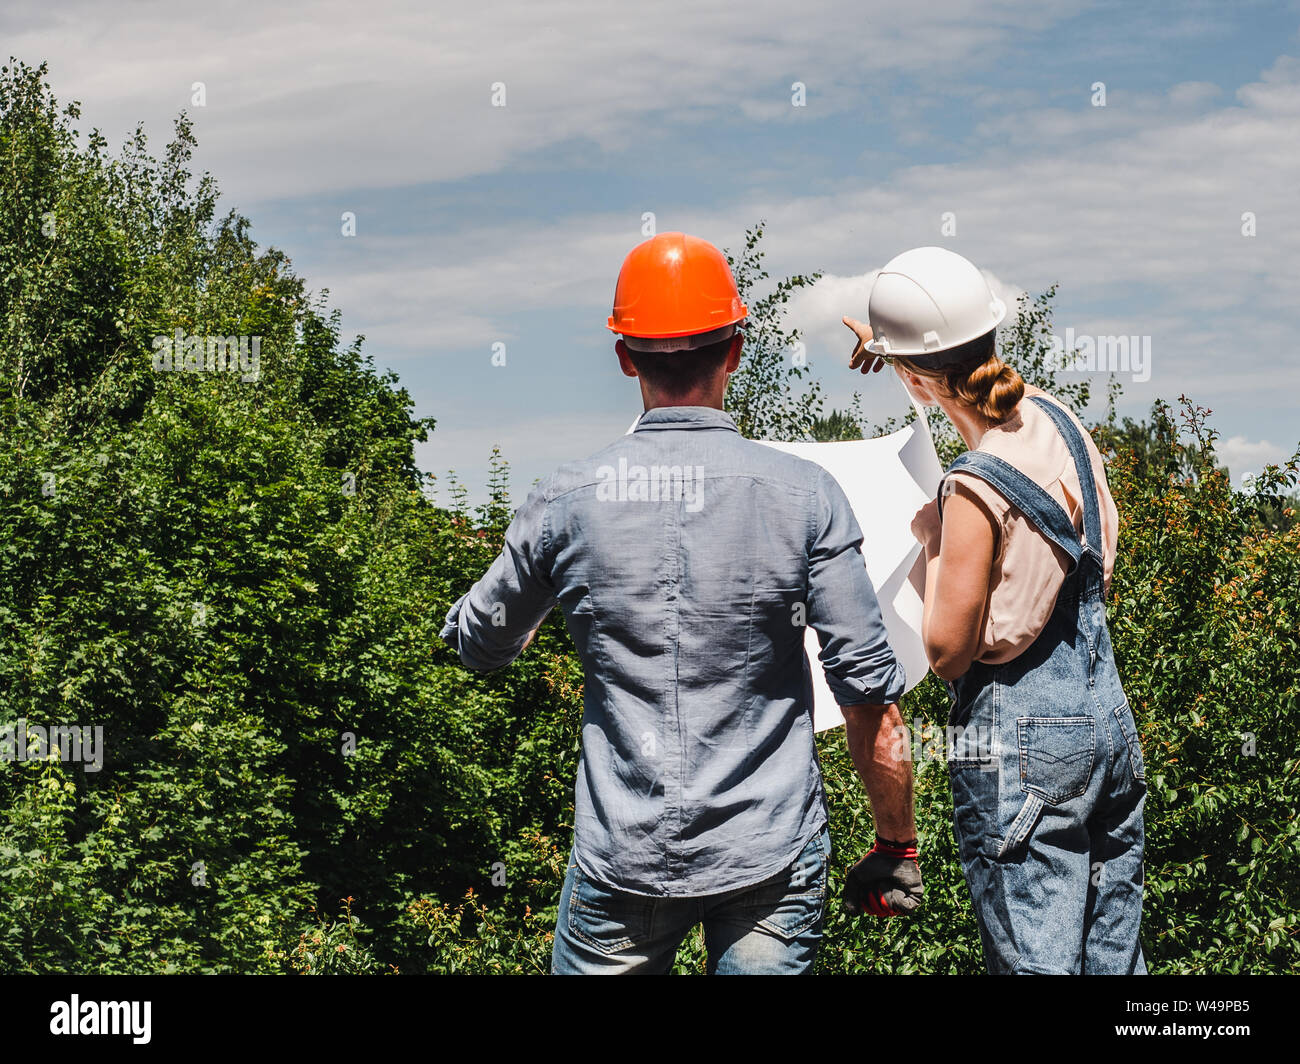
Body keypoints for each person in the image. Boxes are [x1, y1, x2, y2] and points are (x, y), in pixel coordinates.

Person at [440, 232, 922, 975]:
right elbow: (868, 694)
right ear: (735, 348)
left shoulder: (567, 503)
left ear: (625, 357)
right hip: (770, 852)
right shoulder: (806, 498)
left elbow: (480, 643)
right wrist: (895, 847)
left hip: (624, 856)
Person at [843, 246, 1147, 974]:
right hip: (1106, 718)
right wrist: (899, 359)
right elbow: (982, 414)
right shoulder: (1057, 419)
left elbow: (946, 649)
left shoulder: (969, 490)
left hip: (1021, 744)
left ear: (916, 376)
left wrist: (932, 540)